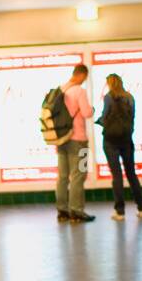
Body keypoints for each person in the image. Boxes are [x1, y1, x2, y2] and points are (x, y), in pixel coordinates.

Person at [96, 72, 142, 221]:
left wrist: (99, 121)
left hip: (110, 140)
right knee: (131, 173)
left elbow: (105, 117)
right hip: (126, 139)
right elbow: (133, 118)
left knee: (117, 176)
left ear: (110, 83)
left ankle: (120, 212)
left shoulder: (108, 97)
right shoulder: (129, 97)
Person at [56, 63, 95, 223]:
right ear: (81, 75)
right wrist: (92, 109)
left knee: (63, 176)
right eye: (85, 77)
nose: (84, 80)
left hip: (61, 139)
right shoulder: (80, 91)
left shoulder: (61, 89)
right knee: (79, 174)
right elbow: (86, 113)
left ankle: (62, 211)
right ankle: (77, 211)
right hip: (79, 140)